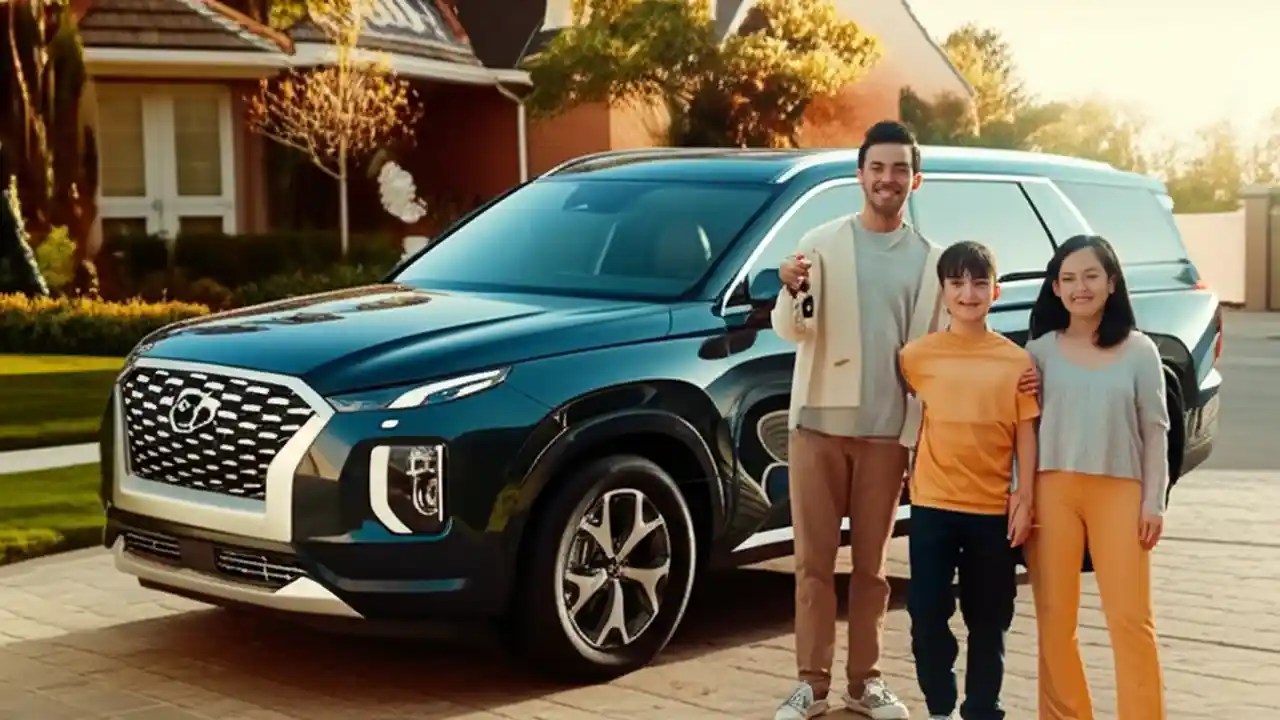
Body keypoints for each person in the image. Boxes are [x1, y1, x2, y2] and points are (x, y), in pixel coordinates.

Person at [770, 121, 1038, 720]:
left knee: (872, 570)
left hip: (888, 436)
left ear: (915, 180)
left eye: (899, 169)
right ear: (860, 174)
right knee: (813, 567)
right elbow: (791, 329)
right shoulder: (820, 242)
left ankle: (865, 683)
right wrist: (787, 290)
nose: (887, 179)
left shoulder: (931, 261)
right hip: (816, 427)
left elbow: (956, 345)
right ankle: (810, 686)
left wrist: (1020, 375)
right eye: (877, 167)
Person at [1024, 234, 1169, 719]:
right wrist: (1020, 496)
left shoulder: (1140, 351)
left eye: (1090, 276)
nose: (1079, 287)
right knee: (1054, 620)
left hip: (1121, 493)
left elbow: (1155, 431)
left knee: (1131, 619)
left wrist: (1154, 502)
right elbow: (1023, 432)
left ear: (1111, 282)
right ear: (1055, 288)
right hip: (1051, 492)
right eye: (1068, 278)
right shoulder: (1038, 352)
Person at [897, 241, 1038, 720]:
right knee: (926, 613)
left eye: (979, 283)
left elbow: (1026, 435)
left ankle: (982, 708)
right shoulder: (916, 357)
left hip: (992, 511)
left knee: (989, 617)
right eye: (957, 283)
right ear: (942, 291)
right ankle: (940, 707)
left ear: (995, 291)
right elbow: (906, 416)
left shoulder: (1017, 363)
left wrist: (1024, 498)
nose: (968, 293)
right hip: (932, 506)